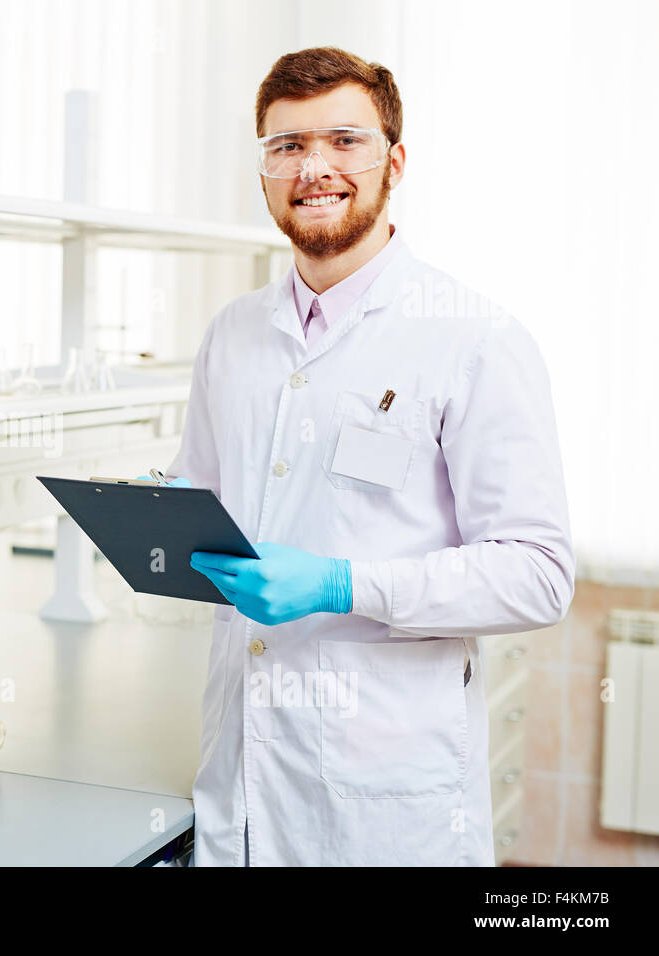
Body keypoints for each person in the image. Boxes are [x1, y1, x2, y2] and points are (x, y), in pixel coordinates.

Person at [168, 47, 574, 866]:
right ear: (263, 173)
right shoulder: (232, 335)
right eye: (286, 146)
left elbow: (539, 571)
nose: (313, 167)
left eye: (343, 140)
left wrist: (343, 583)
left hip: (386, 802)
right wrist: (158, 514)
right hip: (242, 773)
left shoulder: (474, 338)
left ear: (395, 160)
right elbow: (204, 499)